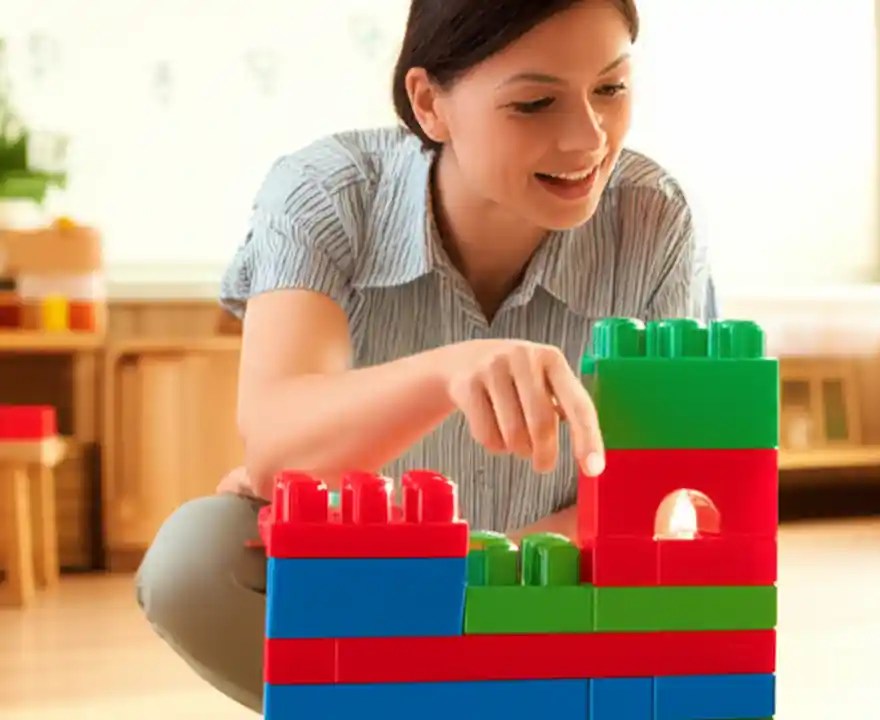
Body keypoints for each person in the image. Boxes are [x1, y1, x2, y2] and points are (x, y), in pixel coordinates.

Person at [133, 0, 712, 712]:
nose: (587, 138)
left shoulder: (654, 218)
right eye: (534, 103)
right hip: (366, 586)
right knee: (199, 556)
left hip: (551, 590)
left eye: (611, 89)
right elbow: (278, 446)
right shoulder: (325, 194)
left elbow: (653, 485)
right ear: (429, 103)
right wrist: (448, 370)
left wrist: (484, 573)